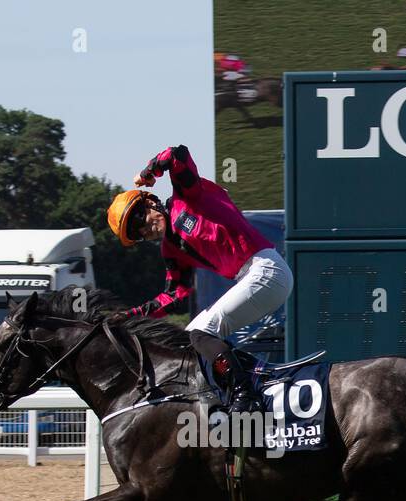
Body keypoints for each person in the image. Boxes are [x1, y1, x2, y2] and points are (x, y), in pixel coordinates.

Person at [106, 144, 293, 415]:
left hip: (266, 268)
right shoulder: (170, 249)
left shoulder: (187, 195)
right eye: (137, 233)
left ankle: (245, 396)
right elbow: (174, 295)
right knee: (188, 340)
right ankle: (235, 390)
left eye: (139, 219)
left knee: (201, 333)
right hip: (254, 277)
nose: (144, 229)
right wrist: (130, 315)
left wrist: (149, 171)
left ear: (149, 202)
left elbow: (176, 154)